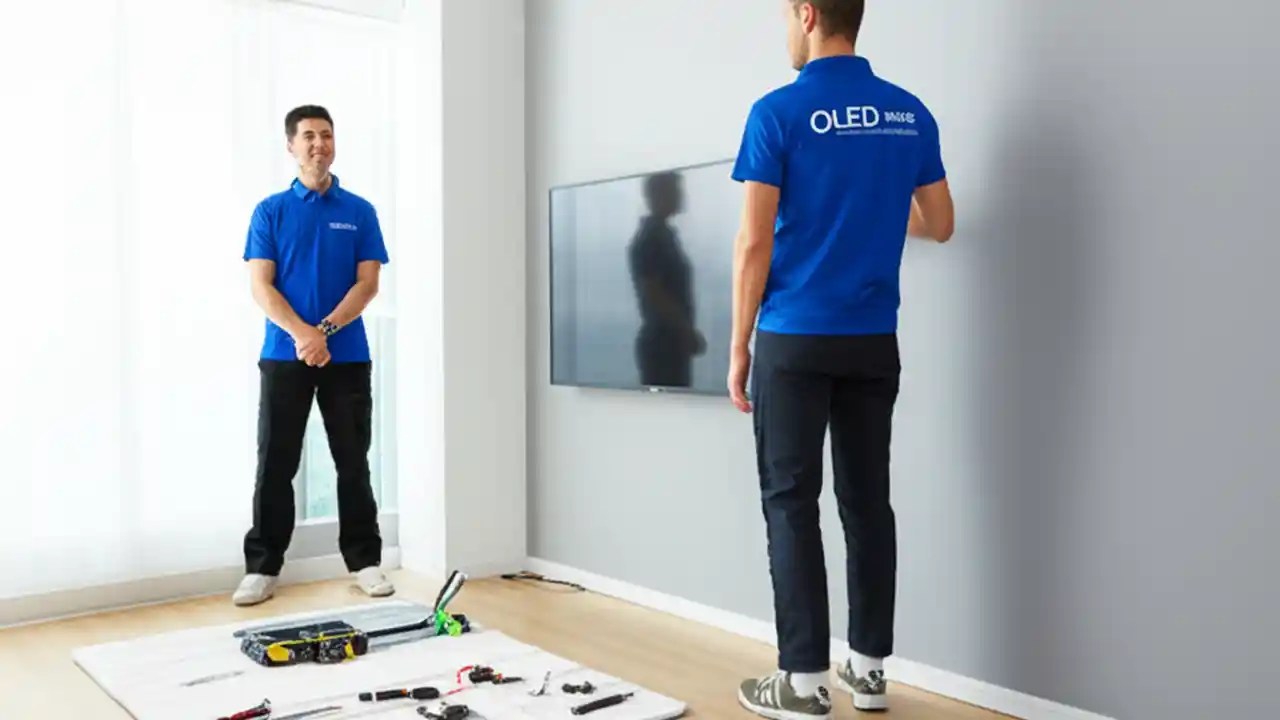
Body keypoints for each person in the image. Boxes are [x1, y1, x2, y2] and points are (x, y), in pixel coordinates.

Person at [728, 1, 954, 716]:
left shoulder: (777, 113)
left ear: (805, 14)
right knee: (866, 502)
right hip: (871, 340)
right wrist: (875, 207)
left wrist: (739, 345)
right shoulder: (907, 113)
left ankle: (800, 684)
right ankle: (869, 673)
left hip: (794, 337)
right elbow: (941, 223)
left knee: (791, 503)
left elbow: (752, 245)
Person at [233, 105, 395, 607]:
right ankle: (263, 568)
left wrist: (323, 331)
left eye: (326, 135)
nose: (318, 144)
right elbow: (261, 286)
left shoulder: (360, 211)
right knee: (275, 463)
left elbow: (367, 285)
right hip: (284, 354)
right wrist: (304, 334)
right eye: (308, 136)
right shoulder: (270, 211)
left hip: (346, 357)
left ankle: (366, 561)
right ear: (291, 146)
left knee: (353, 462)